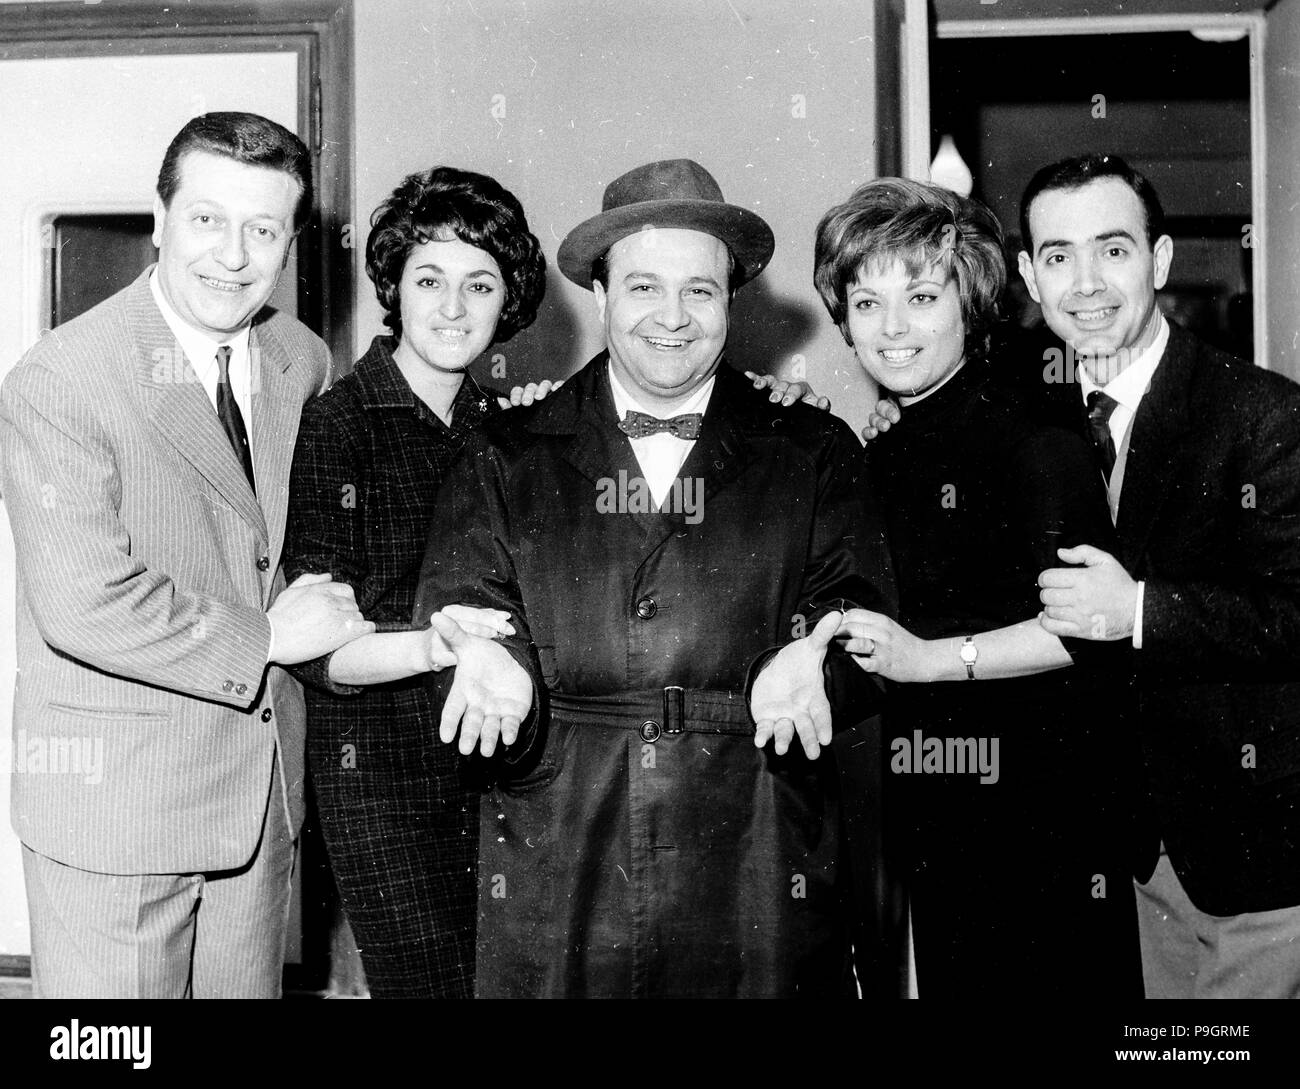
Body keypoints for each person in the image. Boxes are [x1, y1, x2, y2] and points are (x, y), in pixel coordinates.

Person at [408, 158, 894, 998]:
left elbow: (862, 625)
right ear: (601, 297)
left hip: (760, 852)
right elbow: (461, 633)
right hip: (562, 857)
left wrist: (819, 662)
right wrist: (496, 675)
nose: (672, 318)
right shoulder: (502, 456)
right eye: (643, 288)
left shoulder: (815, 451)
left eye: (699, 292)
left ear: (731, 300)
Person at [0, 112, 371, 998]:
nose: (233, 256)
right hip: (117, 812)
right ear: (160, 219)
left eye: (263, 229)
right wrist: (267, 639)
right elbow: (86, 601)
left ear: (289, 240)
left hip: (258, 804)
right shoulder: (62, 379)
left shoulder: (300, 357)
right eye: (208, 219)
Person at [818, 177, 1143, 998]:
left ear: (970, 302)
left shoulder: (1033, 437)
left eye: (922, 296)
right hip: (934, 804)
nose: (892, 329)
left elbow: (1079, 630)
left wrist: (930, 659)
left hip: (1039, 817)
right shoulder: (880, 448)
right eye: (866, 302)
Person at [1019, 154, 1300, 999]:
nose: (1086, 283)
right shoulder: (1038, 418)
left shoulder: (1262, 414)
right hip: (1137, 851)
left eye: (1113, 250)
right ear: (1030, 276)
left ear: (1162, 261)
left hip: (1258, 854)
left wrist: (1138, 610)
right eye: (1059, 256)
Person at [283, 166, 547, 998]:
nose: (454, 308)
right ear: (393, 283)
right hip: (380, 780)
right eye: (429, 279)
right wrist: (439, 645)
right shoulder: (338, 423)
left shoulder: (507, 430)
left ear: (510, 302)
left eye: (481, 284)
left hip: (501, 770)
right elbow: (323, 656)